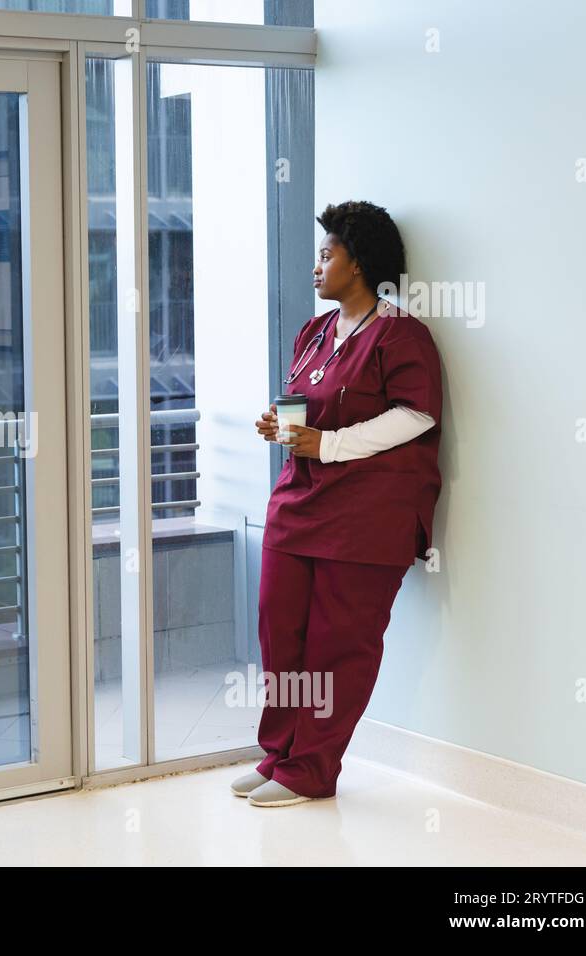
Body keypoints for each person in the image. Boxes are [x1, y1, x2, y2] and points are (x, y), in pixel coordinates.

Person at [233, 200, 443, 808]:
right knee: (282, 635)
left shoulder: (401, 334)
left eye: (328, 254)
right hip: (299, 505)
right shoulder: (315, 331)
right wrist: (283, 428)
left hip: (364, 519)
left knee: (337, 645)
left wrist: (328, 444)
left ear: (361, 264)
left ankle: (312, 769)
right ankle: (280, 756)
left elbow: (417, 413)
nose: (316, 265)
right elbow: (310, 408)